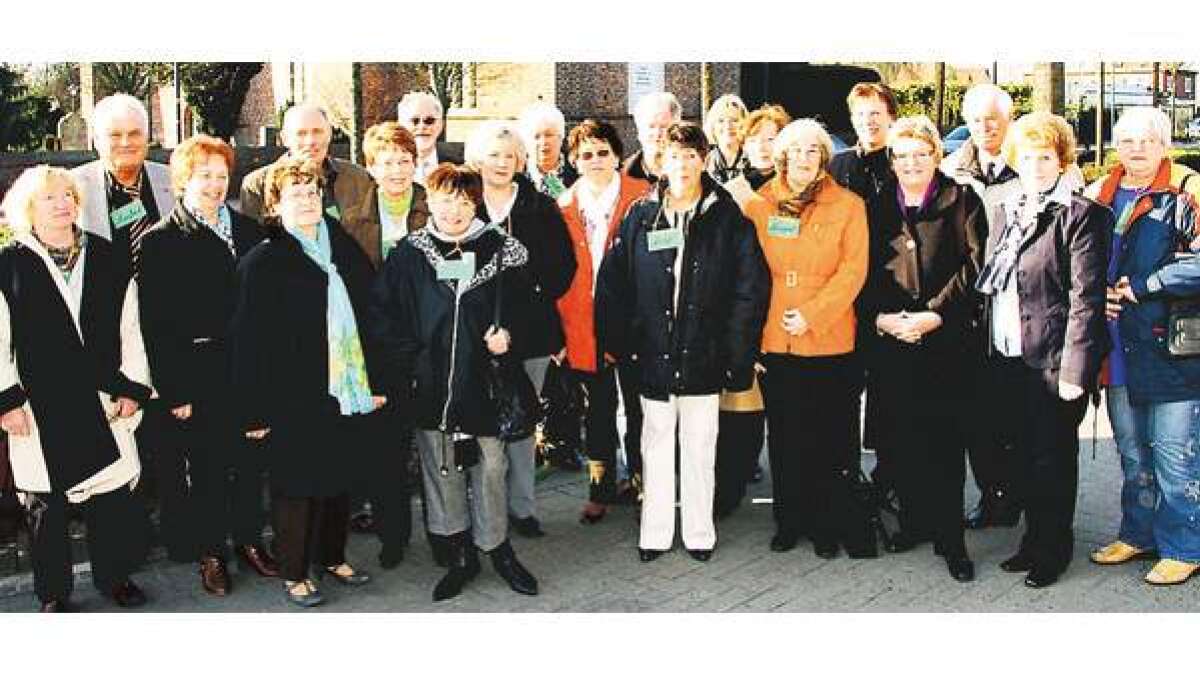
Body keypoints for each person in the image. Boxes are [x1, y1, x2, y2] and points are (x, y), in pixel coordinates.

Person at [598, 122, 769, 562]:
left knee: (699, 445)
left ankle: (698, 533)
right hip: (651, 355)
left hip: (705, 355)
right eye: (675, 155)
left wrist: (738, 354)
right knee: (654, 447)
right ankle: (654, 534)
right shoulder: (641, 215)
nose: (683, 164)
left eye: (692, 155)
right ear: (662, 160)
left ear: (704, 159)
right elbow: (614, 284)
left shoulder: (726, 215)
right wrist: (621, 343)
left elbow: (750, 289)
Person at [369, 163, 540, 601]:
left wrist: (511, 337)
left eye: (463, 201)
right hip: (432, 387)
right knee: (440, 468)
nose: (454, 210)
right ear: (430, 201)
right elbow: (384, 317)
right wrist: (415, 359)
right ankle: (457, 549)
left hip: (486, 383)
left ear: (475, 202)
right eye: (445, 200)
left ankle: (496, 547)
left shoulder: (503, 250)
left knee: (492, 468)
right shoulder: (410, 255)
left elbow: (531, 311)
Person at [0, 165, 154, 611]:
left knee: (111, 499)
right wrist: (7, 401)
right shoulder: (10, 265)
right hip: (40, 406)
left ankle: (115, 579)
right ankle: (53, 593)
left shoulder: (107, 257)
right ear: (29, 207)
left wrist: (133, 388)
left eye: (68, 194)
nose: (62, 203)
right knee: (47, 506)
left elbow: (132, 329)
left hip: (103, 398)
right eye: (49, 197)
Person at [231, 158, 382, 607]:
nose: (307, 201)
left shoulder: (341, 247)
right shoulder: (262, 262)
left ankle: (332, 557)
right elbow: (247, 341)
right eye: (296, 194)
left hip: (343, 389)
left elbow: (372, 314)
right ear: (275, 204)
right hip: (290, 395)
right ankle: (294, 571)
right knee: (296, 486)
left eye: (313, 193)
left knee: (337, 479)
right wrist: (253, 411)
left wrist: (375, 380)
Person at [975, 112, 1110, 588]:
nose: (1035, 165)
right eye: (1027, 156)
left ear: (1062, 160)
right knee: (1020, 455)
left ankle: (1054, 547)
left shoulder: (1080, 216)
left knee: (1051, 458)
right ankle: (1032, 540)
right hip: (1006, 356)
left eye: (1046, 156)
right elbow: (992, 286)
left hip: (1053, 362)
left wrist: (1076, 369)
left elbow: (1086, 299)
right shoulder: (1005, 210)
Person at [137, 135, 275, 597]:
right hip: (200, 374)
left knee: (252, 462)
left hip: (251, 367)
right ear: (183, 180)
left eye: (221, 176)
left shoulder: (251, 230)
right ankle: (212, 552)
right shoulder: (162, 241)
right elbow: (156, 325)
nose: (215, 185)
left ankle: (251, 541)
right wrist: (174, 392)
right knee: (211, 468)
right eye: (205, 176)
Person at [859, 116, 988, 581]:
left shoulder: (962, 200)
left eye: (921, 153)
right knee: (901, 440)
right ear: (892, 161)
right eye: (902, 155)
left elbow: (975, 266)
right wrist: (881, 318)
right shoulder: (875, 205)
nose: (912, 163)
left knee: (946, 444)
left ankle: (951, 540)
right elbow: (863, 268)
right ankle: (915, 523)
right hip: (892, 340)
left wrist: (934, 313)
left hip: (946, 341)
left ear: (936, 155)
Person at [741, 119, 872, 558]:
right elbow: (749, 272)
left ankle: (827, 523)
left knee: (831, 438)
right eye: (794, 150)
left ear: (822, 156)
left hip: (830, 337)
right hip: (777, 339)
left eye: (811, 150)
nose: (802, 158)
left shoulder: (849, 205)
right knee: (785, 436)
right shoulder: (760, 204)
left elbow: (853, 271)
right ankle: (789, 519)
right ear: (781, 157)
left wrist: (813, 314)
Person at [1086, 106, 1200, 586]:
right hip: (1116, 348)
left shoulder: (1188, 191)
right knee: (1133, 453)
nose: (1136, 149)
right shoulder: (1100, 194)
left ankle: (1184, 546)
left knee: (1176, 453)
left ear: (1164, 145)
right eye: (1127, 140)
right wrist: (1099, 296)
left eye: (1147, 141)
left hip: (1171, 348)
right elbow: (1078, 259)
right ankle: (1138, 534)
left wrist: (1146, 284)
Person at [465, 121, 576, 539]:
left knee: (524, 422)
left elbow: (563, 266)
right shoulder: (465, 200)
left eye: (509, 156)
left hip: (530, 333)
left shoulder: (539, 206)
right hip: (476, 333)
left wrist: (531, 292)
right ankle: (487, 511)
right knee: (483, 426)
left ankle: (523, 508)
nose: (500, 163)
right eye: (493, 155)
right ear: (479, 159)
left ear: (520, 161)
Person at [554, 119, 651, 524]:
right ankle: (600, 488)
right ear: (574, 160)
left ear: (616, 155)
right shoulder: (562, 206)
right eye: (586, 154)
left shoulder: (643, 197)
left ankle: (644, 482)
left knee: (638, 407)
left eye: (603, 152)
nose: (595, 161)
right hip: (581, 323)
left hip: (631, 322)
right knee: (596, 409)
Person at [940, 83, 1024, 530]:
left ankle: (1022, 495)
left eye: (993, 118)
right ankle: (993, 495)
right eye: (976, 119)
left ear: (1008, 120)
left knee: (1019, 413)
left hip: (1018, 310)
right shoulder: (949, 170)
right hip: (969, 311)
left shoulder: (1031, 165)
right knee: (976, 415)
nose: (985, 127)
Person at [240, 103, 378, 248]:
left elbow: (369, 239)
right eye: (301, 133)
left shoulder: (358, 178)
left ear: (329, 134)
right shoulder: (256, 185)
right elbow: (254, 246)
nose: (311, 141)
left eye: (318, 132)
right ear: (285, 138)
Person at [70, 93, 175, 271]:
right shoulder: (72, 186)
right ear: (97, 141)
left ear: (147, 138)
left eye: (134, 134)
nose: (126, 143)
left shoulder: (174, 181)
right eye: (115, 135)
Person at [829, 83, 899, 204]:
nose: (867, 121)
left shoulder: (906, 163)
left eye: (875, 113)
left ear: (891, 117)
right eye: (860, 114)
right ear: (852, 120)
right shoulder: (835, 165)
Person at [725, 105, 792, 217]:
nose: (761, 147)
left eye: (770, 139)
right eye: (753, 141)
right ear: (744, 146)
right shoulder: (731, 191)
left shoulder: (795, 186)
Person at [397, 91, 465, 184]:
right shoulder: (385, 165)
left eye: (429, 120)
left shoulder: (463, 161)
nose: (422, 127)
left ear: (441, 124)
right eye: (415, 121)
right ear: (401, 125)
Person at [518, 101, 578, 198]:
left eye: (549, 135)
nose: (544, 142)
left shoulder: (579, 172)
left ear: (561, 137)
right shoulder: (515, 176)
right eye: (536, 137)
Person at [623, 92, 682, 184]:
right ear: (639, 130)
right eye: (651, 126)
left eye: (664, 126)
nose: (657, 134)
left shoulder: (693, 175)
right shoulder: (620, 177)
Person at [703, 94, 750, 183]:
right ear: (712, 126)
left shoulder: (754, 159)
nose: (728, 126)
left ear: (745, 123)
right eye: (721, 121)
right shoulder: (703, 162)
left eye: (734, 120)